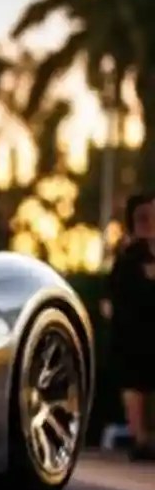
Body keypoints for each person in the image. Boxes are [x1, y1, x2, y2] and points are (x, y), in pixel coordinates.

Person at [107, 193, 155, 461]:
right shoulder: (127, 259)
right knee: (134, 383)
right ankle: (141, 439)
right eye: (142, 218)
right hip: (134, 336)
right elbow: (114, 299)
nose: (149, 222)